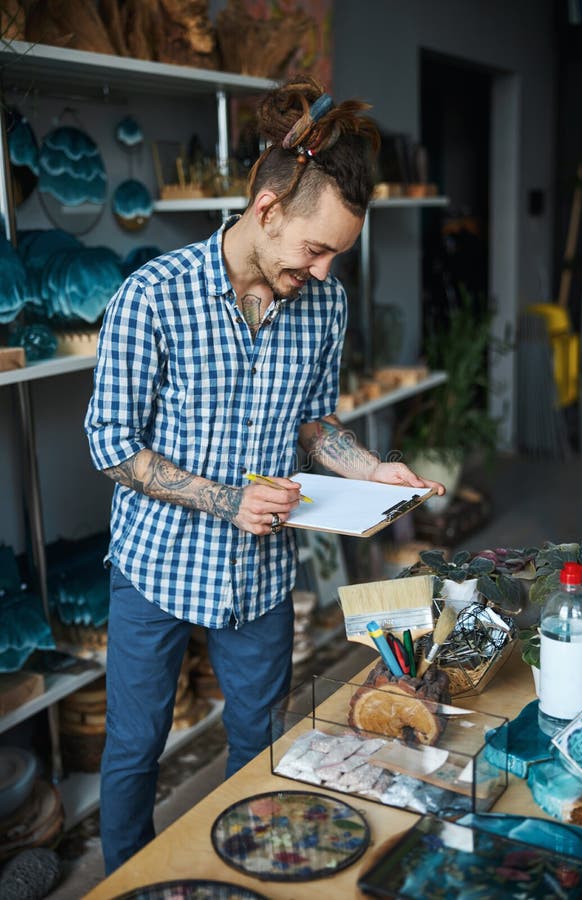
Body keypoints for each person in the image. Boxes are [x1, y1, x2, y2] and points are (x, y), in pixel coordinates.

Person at [84, 74, 444, 875]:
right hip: (156, 568)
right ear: (268, 209)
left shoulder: (325, 302)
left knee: (259, 745)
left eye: (335, 257)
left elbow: (313, 422)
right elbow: (108, 441)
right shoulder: (155, 296)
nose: (321, 271)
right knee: (136, 748)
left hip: (260, 573)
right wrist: (225, 500)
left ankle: (245, 879)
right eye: (315, 249)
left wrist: (370, 466)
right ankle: (124, 883)